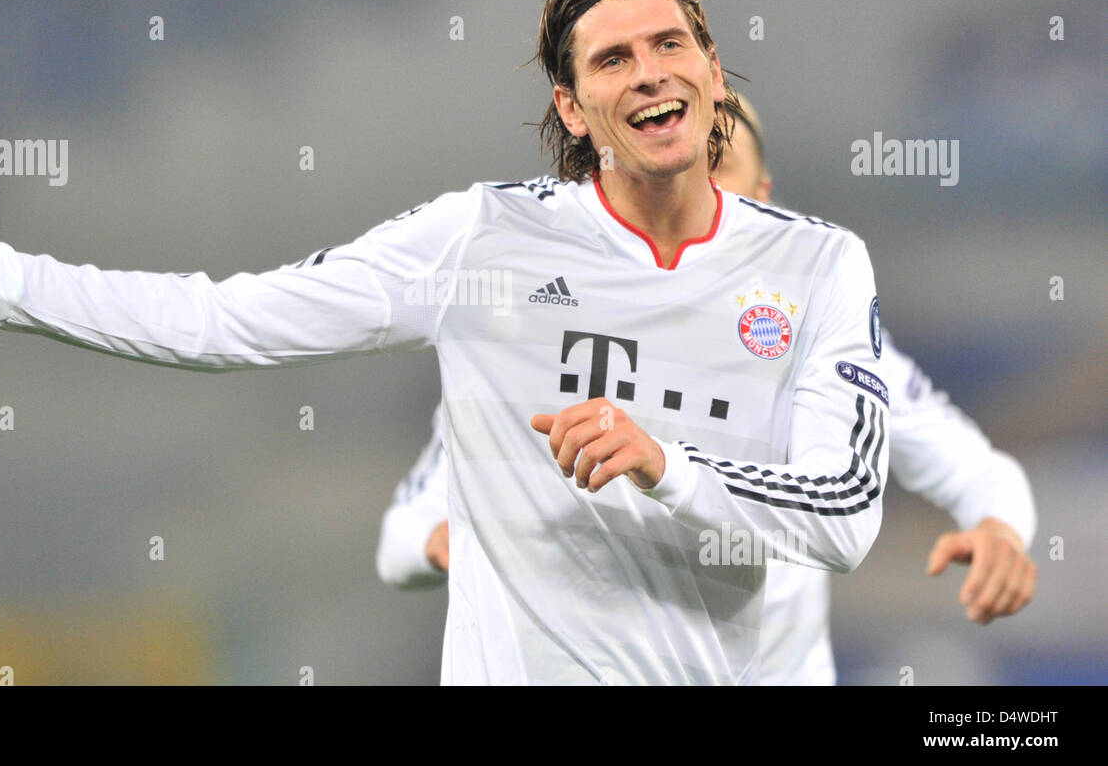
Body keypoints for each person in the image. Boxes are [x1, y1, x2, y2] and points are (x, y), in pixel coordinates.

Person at [0, 0, 886, 684]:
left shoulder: (818, 266)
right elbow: (223, 322)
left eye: (670, 43)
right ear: (571, 109)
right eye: (611, 59)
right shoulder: (480, 243)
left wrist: (663, 462)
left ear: (711, 69)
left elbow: (842, 513)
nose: (650, 69)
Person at [376, 96, 1037, 684]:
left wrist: (1002, 530)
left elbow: (975, 469)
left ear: (765, 201)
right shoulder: (532, 350)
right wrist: (452, 543)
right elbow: (402, 536)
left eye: (715, 171)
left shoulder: (827, 348)